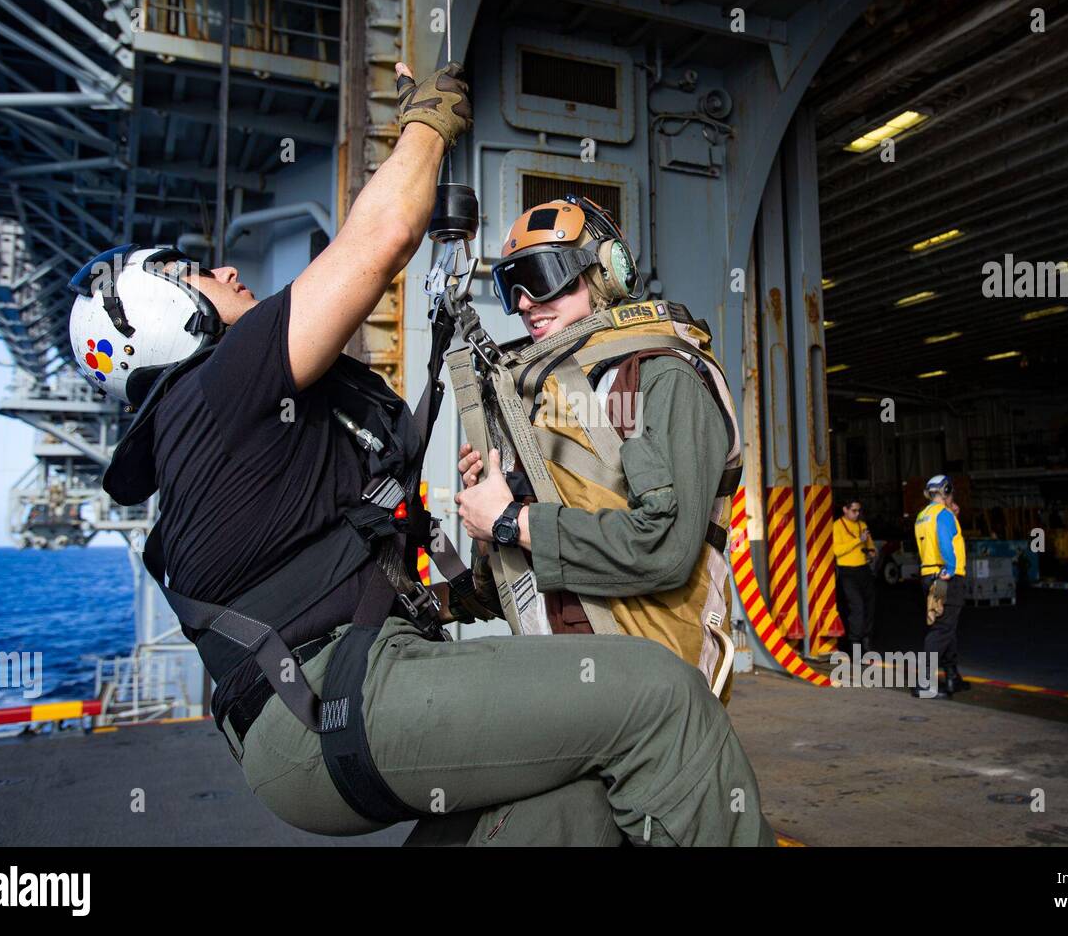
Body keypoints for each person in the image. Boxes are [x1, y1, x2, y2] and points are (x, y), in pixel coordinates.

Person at [69, 62, 774, 847]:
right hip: (341, 693)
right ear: (168, 316)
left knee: (575, 803)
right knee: (664, 701)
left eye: (544, 280)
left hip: (316, 709)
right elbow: (382, 238)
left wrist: (491, 537)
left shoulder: (218, 434)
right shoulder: (217, 386)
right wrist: (429, 117)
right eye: (202, 272)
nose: (229, 271)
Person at [453, 195, 743, 697]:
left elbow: (666, 549)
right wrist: (490, 524)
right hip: (570, 685)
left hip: (652, 688)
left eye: (542, 276)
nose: (523, 302)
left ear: (605, 273)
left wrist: (510, 520)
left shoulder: (663, 376)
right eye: (511, 284)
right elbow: (547, 564)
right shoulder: (555, 401)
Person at [912, 474, 969, 696]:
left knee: (947, 626)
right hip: (945, 577)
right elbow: (945, 542)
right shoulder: (943, 515)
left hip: (929, 574)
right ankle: (925, 683)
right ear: (945, 491)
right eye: (950, 493)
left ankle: (952, 676)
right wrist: (951, 568)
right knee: (941, 630)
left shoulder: (922, 516)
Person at [832, 498, 877, 653]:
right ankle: (854, 644)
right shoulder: (837, 526)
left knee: (869, 606)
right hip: (847, 573)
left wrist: (871, 553)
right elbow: (837, 551)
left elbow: (870, 546)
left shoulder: (862, 525)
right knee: (857, 607)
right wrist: (858, 540)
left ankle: (866, 639)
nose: (857, 514)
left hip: (863, 570)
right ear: (845, 509)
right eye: (854, 511)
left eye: (859, 511)